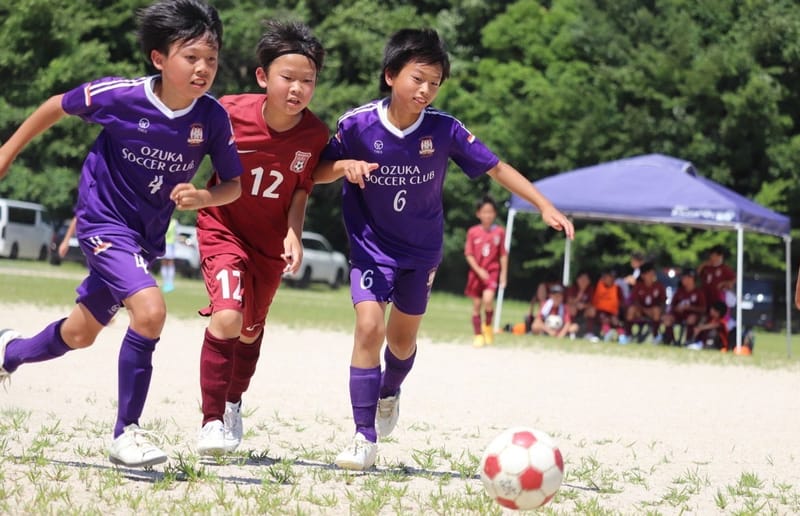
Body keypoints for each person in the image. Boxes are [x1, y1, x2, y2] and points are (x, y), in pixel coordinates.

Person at [313, 28, 574, 471]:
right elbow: (316, 171)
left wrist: (544, 205)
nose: (426, 90)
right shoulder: (355, 124)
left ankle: (390, 391)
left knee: (401, 340)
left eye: (434, 82)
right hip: (371, 248)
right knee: (369, 328)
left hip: (421, 251)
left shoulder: (444, 129)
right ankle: (363, 437)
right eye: (417, 79)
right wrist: (343, 166)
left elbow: (496, 167)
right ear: (391, 75)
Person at [0, 0, 242, 468]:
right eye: (191, 57)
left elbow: (233, 185)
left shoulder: (211, 118)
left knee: (80, 333)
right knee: (150, 311)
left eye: (211, 59)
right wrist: (8, 151)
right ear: (159, 58)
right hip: (102, 223)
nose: (203, 69)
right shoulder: (120, 96)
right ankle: (126, 433)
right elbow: (56, 105)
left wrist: (205, 199)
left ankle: (9, 351)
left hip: (145, 239)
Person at [193, 20, 328, 455]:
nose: (297, 89)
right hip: (222, 228)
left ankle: (233, 403)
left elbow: (302, 186)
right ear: (263, 76)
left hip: (269, 246)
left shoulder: (315, 135)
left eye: (307, 81)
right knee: (228, 315)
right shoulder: (226, 112)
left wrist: (294, 232)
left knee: (250, 332)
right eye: (287, 78)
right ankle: (211, 421)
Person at [463, 195, 507, 348]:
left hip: (492, 272)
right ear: (478, 214)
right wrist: (478, 270)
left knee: (488, 300)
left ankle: (488, 326)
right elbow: (468, 254)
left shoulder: (500, 232)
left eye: (490, 212)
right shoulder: (473, 232)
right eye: (484, 212)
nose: (487, 215)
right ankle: (478, 334)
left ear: (494, 214)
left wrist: (503, 274)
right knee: (476, 305)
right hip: (476, 274)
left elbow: (503, 254)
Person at [623, 262, 666, 343]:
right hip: (640, 310)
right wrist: (643, 310)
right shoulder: (638, 286)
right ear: (643, 275)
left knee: (656, 310)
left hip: (653, 312)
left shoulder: (659, 286)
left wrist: (662, 312)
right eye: (649, 274)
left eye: (652, 273)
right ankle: (628, 336)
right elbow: (634, 301)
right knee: (631, 310)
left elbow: (663, 302)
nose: (652, 276)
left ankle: (655, 336)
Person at [661, 268, 706, 346]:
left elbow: (703, 309)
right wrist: (677, 308)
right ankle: (671, 341)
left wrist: (689, 308)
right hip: (679, 315)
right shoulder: (680, 291)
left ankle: (688, 341)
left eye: (684, 278)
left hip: (692, 316)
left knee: (691, 318)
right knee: (667, 319)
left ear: (691, 278)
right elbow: (672, 305)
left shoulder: (698, 292)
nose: (682, 280)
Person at [590, 269, 625, 341]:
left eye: (613, 277)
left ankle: (622, 336)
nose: (611, 279)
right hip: (600, 311)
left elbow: (622, 303)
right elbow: (593, 301)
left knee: (615, 321)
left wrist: (618, 313)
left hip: (613, 312)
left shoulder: (617, 289)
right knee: (604, 319)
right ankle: (607, 334)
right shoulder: (598, 286)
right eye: (609, 277)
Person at [566, 270, 596, 339]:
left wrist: (584, 306)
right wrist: (578, 298)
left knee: (592, 311)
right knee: (572, 309)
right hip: (574, 311)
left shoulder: (590, 289)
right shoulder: (572, 288)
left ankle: (589, 332)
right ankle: (571, 329)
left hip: (584, 312)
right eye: (582, 279)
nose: (583, 281)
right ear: (577, 280)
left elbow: (592, 303)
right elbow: (568, 302)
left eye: (586, 279)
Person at [160, 217, 178, 293]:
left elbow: (176, 234)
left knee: (169, 263)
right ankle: (166, 282)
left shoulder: (174, 222)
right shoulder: (164, 220)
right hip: (165, 244)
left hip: (170, 245)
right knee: (165, 263)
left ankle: (170, 283)